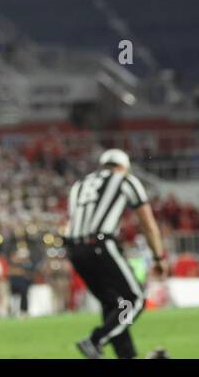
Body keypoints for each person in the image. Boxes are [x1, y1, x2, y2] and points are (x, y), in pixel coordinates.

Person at [65, 150, 169, 359]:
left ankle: (127, 356)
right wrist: (158, 257)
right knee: (135, 299)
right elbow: (148, 224)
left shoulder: (79, 185)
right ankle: (95, 340)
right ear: (123, 166)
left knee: (114, 305)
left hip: (74, 249)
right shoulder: (124, 179)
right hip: (100, 244)